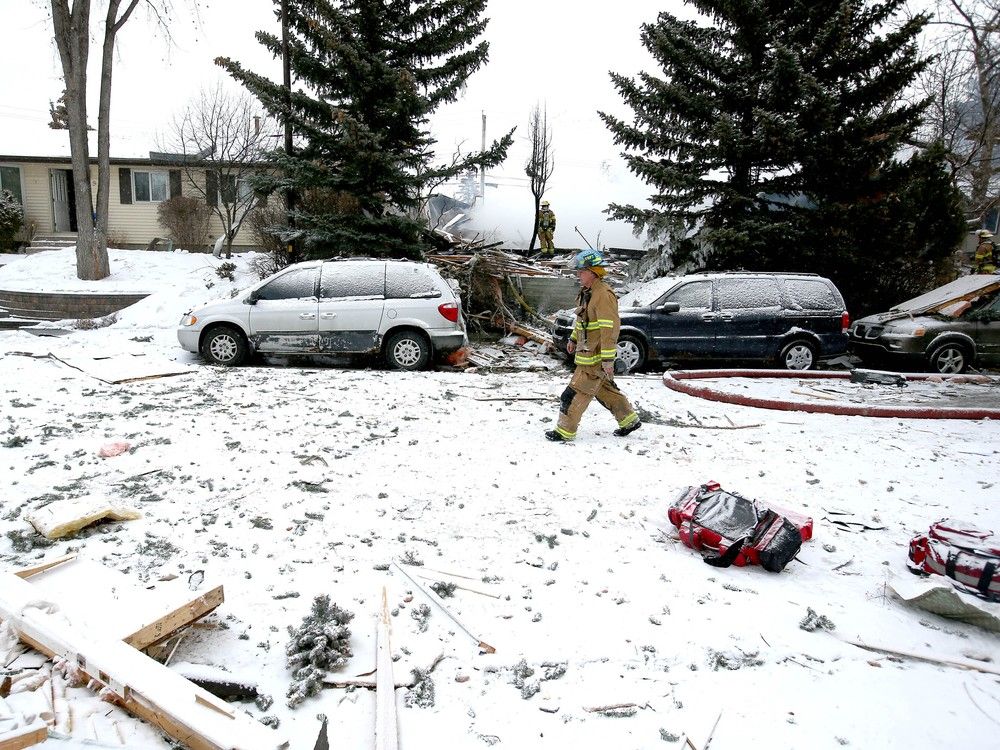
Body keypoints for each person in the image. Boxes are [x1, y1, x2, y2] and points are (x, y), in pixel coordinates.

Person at [545, 249, 641, 442]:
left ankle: (565, 430)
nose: (578, 275)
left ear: (593, 272)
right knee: (604, 389)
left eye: (581, 271)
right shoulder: (587, 293)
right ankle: (629, 420)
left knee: (573, 394)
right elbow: (582, 322)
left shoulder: (603, 295)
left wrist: (607, 359)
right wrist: (573, 339)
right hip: (586, 353)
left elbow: (609, 330)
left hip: (594, 358)